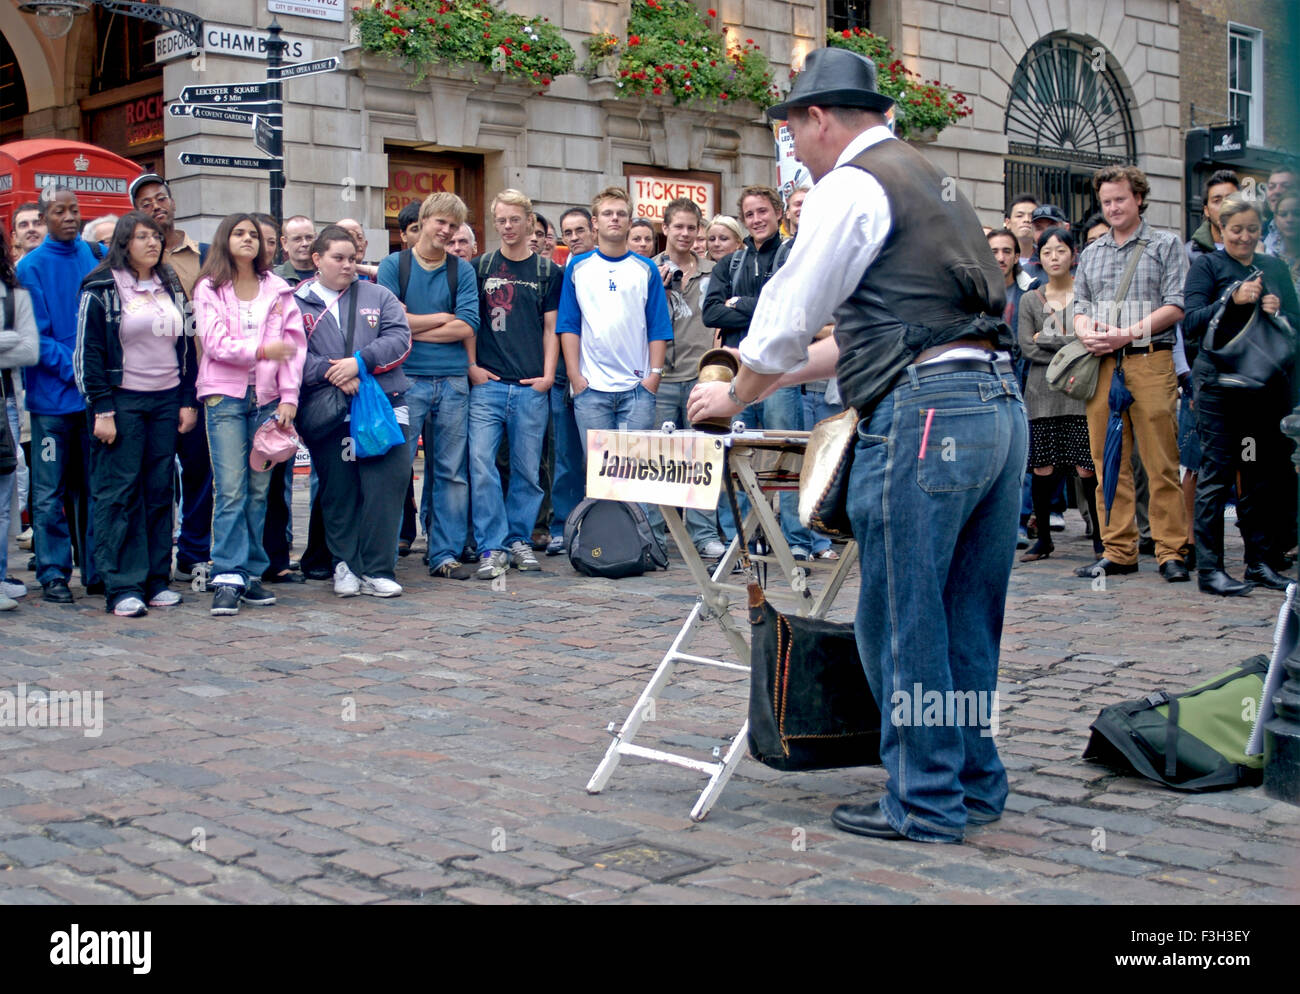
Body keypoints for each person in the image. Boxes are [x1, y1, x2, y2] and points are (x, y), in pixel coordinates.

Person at [687, 47, 1022, 843]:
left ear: (820, 118)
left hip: (929, 416)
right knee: (966, 613)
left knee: (903, 618)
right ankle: (972, 780)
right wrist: (757, 380)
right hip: (992, 406)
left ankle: (926, 800)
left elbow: (784, 317)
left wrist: (733, 396)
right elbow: (877, 331)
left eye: (791, 133)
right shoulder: (928, 179)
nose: (792, 154)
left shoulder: (851, 184)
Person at [74, 211, 198, 617]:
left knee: (160, 489)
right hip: (123, 400)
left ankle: (156, 579)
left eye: (155, 237)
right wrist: (102, 409)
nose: (152, 243)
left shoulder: (171, 284)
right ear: (123, 244)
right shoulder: (101, 286)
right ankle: (122, 585)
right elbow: (88, 354)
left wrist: (186, 400)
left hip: (166, 400)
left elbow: (187, 343)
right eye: (141, 237)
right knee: (119, 492)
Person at [1073, 164, 1190, 583]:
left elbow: (1176, 305)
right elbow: (1079, 307)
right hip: (1103, 364)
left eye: (1120, 199)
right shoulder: (1091, 252)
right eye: (1106, 201)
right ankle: (1118, 549)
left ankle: (1170, 550)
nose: (1113, 207)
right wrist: (1087, 331)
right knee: (1108, 463)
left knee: (1160, 460)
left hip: (1151, 359)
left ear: (1139, 197)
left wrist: (1125, 334)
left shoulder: (1165, 244)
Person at [1182, 192, 1300, 596]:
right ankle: (1210, 569)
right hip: (1218, 388)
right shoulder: (1207, 266)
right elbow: (1191, 323)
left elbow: (1296, 324)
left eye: (1252, 229)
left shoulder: (1273, 268)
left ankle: (1259, 564)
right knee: (1216, 473)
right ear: (1221, 229)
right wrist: (1229, 299)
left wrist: (1277, 308)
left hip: (1259, 389)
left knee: (1255, 474)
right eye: (1236, 230)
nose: (1245, 238)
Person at [193, 213, 306, 617]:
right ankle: (226, 574)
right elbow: (215, 343)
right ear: (225, 239)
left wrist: (289, 396)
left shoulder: (278, 288)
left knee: (260, 491)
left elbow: (294, 347)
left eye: (254, 235)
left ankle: (251, 573)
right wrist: (261, 350)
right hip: (224, 398)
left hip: (268, 400)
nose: (248, 239)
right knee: (231, 488)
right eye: (239, 233)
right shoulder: (209, 288)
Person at [295, 225, 411, 597]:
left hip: (386, 407)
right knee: (339, 489)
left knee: (385, 487)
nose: (348, 266)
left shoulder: (379, 295)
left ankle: (378, 568)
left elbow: (399, 339)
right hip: (332, 411)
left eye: (352, 259)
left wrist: (358, 363)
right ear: (317, 259)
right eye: (338, 258)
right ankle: (344, 565)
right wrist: (334, 369)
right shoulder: (295, 303)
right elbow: (292, 355)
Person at [704, 185, 816, 557]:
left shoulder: (793, 252)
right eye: (749, 214)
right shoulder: (729, 263)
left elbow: (788, 305)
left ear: (778, 212)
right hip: (737, 372)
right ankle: (746, 535)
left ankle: (796, 540)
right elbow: (711, 313)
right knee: (739, 457)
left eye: (762, 212)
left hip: (779, 371)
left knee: (787, 456)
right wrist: (761, 303)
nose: (756, 220)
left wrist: (742, 302)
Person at [377, 191, 480, 581]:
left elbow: (468, 325)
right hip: (406, 381)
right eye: (441, 222)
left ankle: (444, 553)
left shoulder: (461, 271)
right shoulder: (394, 265)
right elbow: (391, 326)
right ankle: (383, 552)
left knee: (451, 471)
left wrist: (415, 323)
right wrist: (442, 319)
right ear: (424, 219)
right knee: (397, 467)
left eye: (453, 226)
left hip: (453, 382)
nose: (447, 231)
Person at [466, 189, 559, 578]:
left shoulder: (548, 272)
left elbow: (552, 327)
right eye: (501, 220)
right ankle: (491, 544)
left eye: (514, 220)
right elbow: (470, 318)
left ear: (528, 221)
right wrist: (471, 365)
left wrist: (548, 376)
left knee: (526, 470)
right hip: (487, 384)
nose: (507, 227)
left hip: (529, 386)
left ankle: (519, 538)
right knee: (482, 465)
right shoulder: (480, 266)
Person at [16, 186, 100, 603]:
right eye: (60, 211)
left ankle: (95, 568)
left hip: (90, 401)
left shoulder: (93, 255)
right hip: (52, 401)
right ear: (45, 217)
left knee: (92, 486)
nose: (70, 217)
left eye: (75, 210)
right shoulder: (30, 267)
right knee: (49, 492)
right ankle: (52, 572)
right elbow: (35, 334)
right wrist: (79, 367)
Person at [129, 173, 211, 583]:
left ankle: (194, 550)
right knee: (155, 472)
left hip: (197, 373)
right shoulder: (132, 262)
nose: (157, 206)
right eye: (146, 203)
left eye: (161, 198)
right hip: (150, 377)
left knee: (201, 468)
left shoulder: (204, 254)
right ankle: (153, 553)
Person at [559, 187, 671, 445]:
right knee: (598, 474)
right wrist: (575, 377)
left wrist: (654, 376)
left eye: (621, 214)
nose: (615, 218)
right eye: (607, 213)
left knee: (635, 472)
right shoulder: (578, 267)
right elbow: (569, 325)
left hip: (637, 390)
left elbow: (658, 326)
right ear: (595, 222)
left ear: (630, 222)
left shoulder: (646, 269)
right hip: (591, 390)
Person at [1017, 227, 1101, 562]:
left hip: (1079, 392)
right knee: (1043, 467)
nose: (1054, 257)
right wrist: (1069, 345)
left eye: (1061, 251)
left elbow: (1090, 343)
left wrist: (1047, 339)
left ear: (1073, 254)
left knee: (1086, 467)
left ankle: (1099, 537)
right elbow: (1026, 346)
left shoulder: (1085, 298)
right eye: (1047, 252)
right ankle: (1044, 540)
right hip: (1041, 393)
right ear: (1039, 257)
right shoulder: (1029, 299)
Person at [647, 197, 724, 559]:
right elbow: (638, 323)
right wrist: (657, 287)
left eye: (691, 227)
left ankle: (703, 533)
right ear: (665, 228)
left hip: (700, 375)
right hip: (662, 377)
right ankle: (655, 534)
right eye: (678, 226)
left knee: (701, 458)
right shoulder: (646, 270)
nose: (684, 233)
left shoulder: (713, 270)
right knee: (659, 460)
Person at [545, 207, 598, 555]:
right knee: (565, 457)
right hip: (566, 379)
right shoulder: (561, 273)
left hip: (604, 379)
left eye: (580, 230)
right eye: (568, 232)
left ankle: (602, 525)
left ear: (593, 230)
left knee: (602, 460)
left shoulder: (607, 266)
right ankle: (563, 527)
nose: (575, 237)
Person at [0, 228, 38, 610]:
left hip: (6, 401)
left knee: (5, 494)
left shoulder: (13, 292)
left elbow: (28, 349)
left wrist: (11, 341)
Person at [1186, 170, 1240, 265]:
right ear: (1206, 210)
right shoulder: (1189, 254)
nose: (1224, 206)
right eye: (1217, 200)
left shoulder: (1254, 248)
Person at [275, 216, 317, 285]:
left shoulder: (328, 274)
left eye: (309, 237)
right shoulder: (275, 278)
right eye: (297, 239)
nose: (305, 243)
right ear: (285, 243)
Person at [1004, 193, 1038, 270]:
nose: (1026, 220)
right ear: (1008, 223)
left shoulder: (1046, 260)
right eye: (1019, 216)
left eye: (1032, 216)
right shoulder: (998, 259)